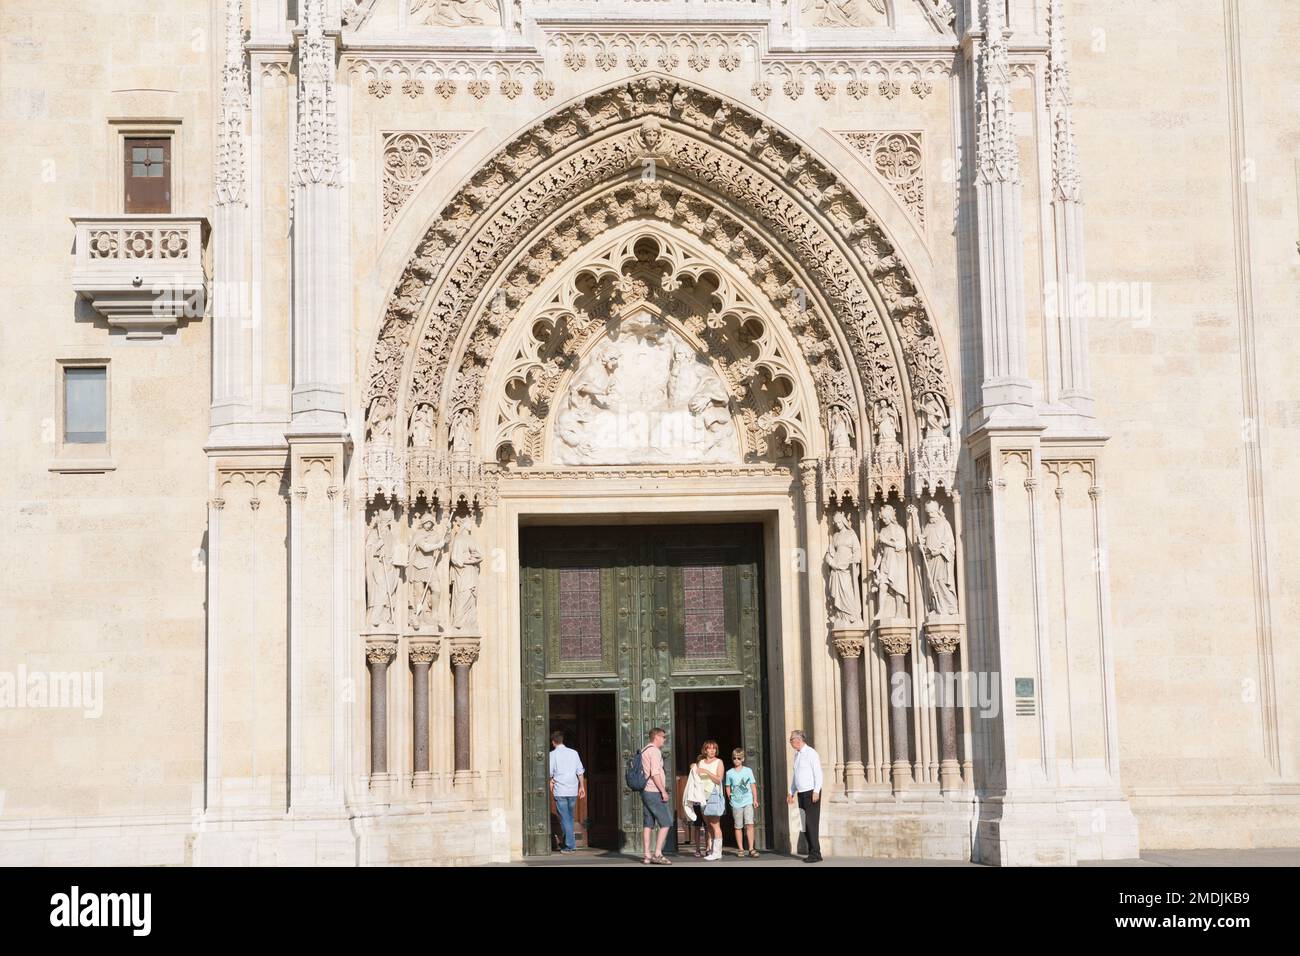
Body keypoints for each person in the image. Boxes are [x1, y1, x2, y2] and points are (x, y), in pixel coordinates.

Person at [786, 730, 823, 863]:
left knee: (811, 823)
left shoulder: (811, 753)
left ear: (798, 740)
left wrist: (816, 791)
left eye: (791, 740)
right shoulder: (797, 755)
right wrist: (791, 792)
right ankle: (813, 851)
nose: (790, 742)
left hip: (811, 793)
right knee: (804, 824)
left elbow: (818, 773)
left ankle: (816, 853)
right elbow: (796, 776)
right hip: (801, 793)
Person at [548, 730, 586, 854]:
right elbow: (580, 771)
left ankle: (570, 845)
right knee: (569, 818)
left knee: (565, 819)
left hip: (561, 790)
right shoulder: (574, 753)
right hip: (573, 789)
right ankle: (567, 843)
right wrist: (582, 787)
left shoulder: (552, 755)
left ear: (553, 742)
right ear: (562, 740)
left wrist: (552, 780)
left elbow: (549, 772)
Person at [640, 727, 673, 865]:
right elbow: (655, 773)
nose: (664, 740)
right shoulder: (654, 751)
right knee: (666, 822)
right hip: (654, 791)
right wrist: (663, 791)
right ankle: (658, 853)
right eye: (663, 737)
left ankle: (647, 855)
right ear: (657, 737)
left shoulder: (644, 749)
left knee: (648, 823)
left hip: (645, 791)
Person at [691, 740, 726, 861]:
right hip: (702, 796)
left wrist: (706, 771)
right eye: (709, 748)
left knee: (715, 824)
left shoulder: (718, 762)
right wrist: (694, 768)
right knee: (708, 825)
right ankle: (712, 850)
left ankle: (717, 852)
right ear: (704, 750)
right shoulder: (701, 762)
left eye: (714, 748)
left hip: (713, 794)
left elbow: (718, 779)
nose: (712, 751)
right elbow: (696, 777)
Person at [725, 748, 760, 858]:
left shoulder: (748, 771)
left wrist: (755, 799)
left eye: (739, 758)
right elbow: (727, 786)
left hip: (748, 801)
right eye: (734, 758)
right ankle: (740, 849)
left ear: (743, 759)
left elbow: (753, 785)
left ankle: (751, 848)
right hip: (736, 803)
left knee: (749, 824)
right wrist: (730, 797)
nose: (736, 760)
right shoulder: (729, 773)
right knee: (738, 826)